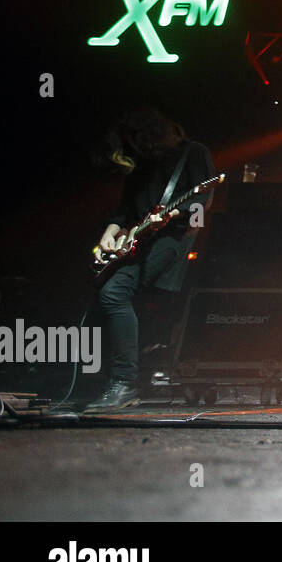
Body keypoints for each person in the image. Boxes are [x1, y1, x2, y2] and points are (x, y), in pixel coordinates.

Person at [87, 108, 215, 412]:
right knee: (106, 296)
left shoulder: (193, 153)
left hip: (173, 239)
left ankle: (125, 383)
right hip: (139, 238)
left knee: (114, 293)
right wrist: (111, 231)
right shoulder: (143, 163)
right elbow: (125, 208)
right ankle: (119, 378)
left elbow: (203, 200)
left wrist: (173, 214)